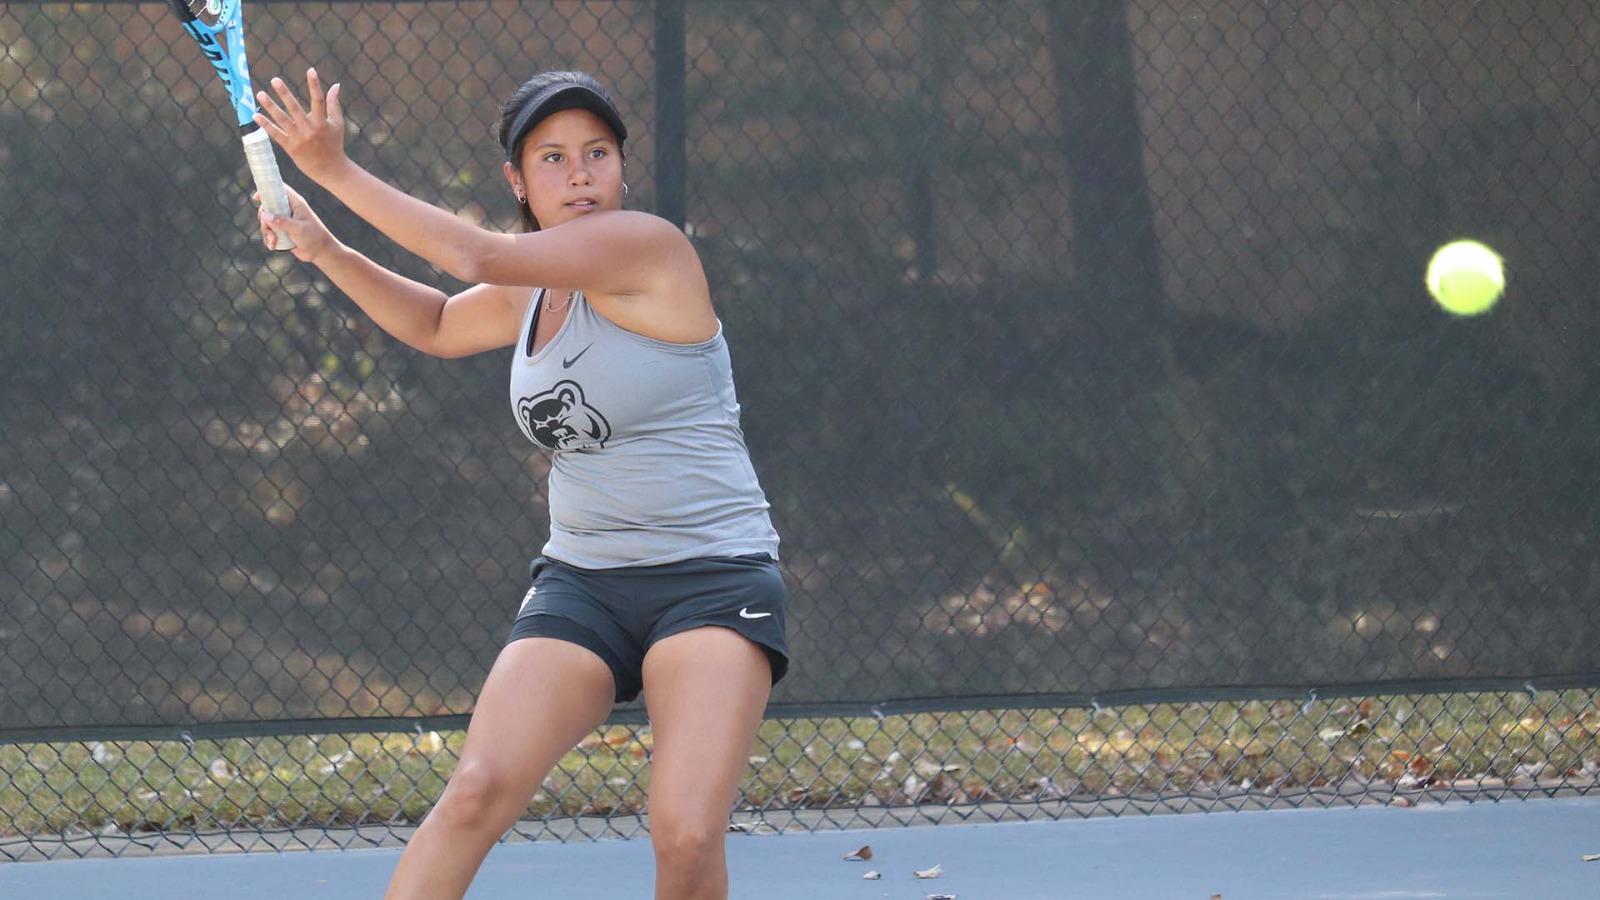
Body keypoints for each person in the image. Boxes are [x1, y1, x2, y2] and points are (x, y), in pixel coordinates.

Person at [252, 68, 787, 900]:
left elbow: (474, 251)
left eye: (597, 153)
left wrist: (334, 170)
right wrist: (327, 249)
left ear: (619, 168)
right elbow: (434, 320)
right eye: (553, 157)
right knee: (473, 794)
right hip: (584, 584)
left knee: (684, 835)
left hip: (711, 581)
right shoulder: (530, 290)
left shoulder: (649, 248)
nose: (579, 174)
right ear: (518, 179)